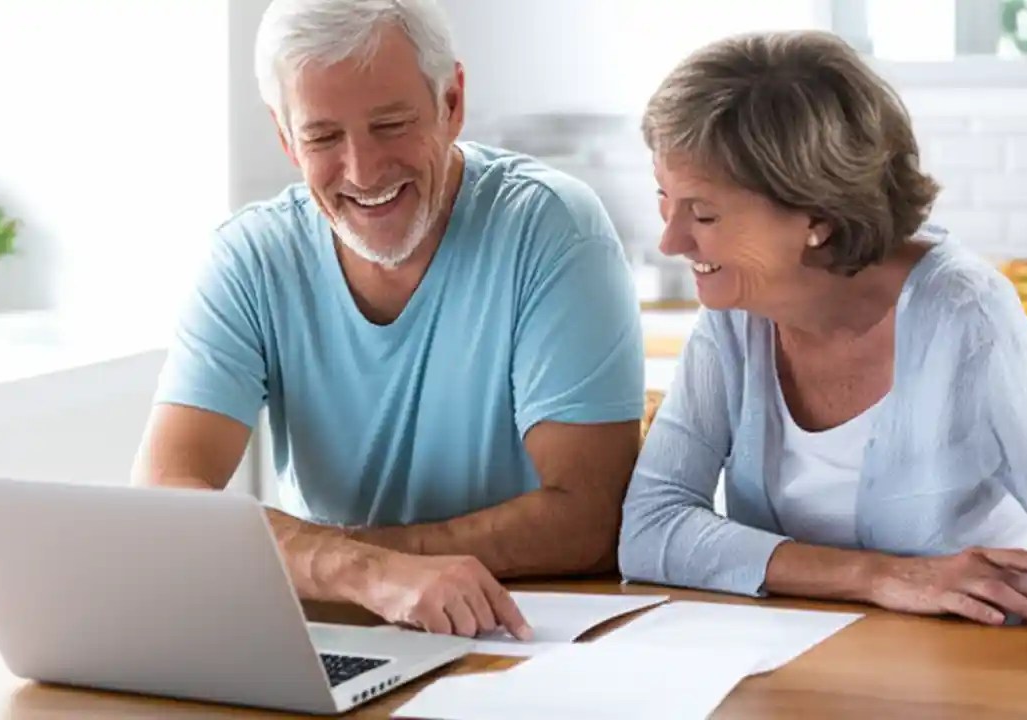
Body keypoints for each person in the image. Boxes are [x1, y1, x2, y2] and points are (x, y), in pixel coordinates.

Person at [133, 0, 644, 640]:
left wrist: (357, 563)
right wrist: (368, 574)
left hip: (527, 632)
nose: (363, 171)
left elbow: (591, 519)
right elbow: (165, 496)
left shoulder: (551, 230)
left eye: (392, 124)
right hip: (342, 624)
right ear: (286, 137)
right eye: (322, 136)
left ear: (451, 102)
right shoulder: (251, 258)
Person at [618, 30, 1027, 626]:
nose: (670, 242)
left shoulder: (966, 313)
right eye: (664, 199)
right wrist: (879, 577)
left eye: (705, 214)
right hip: (790, 666)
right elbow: (649, 528)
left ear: (816, 214)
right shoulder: (732, 318)